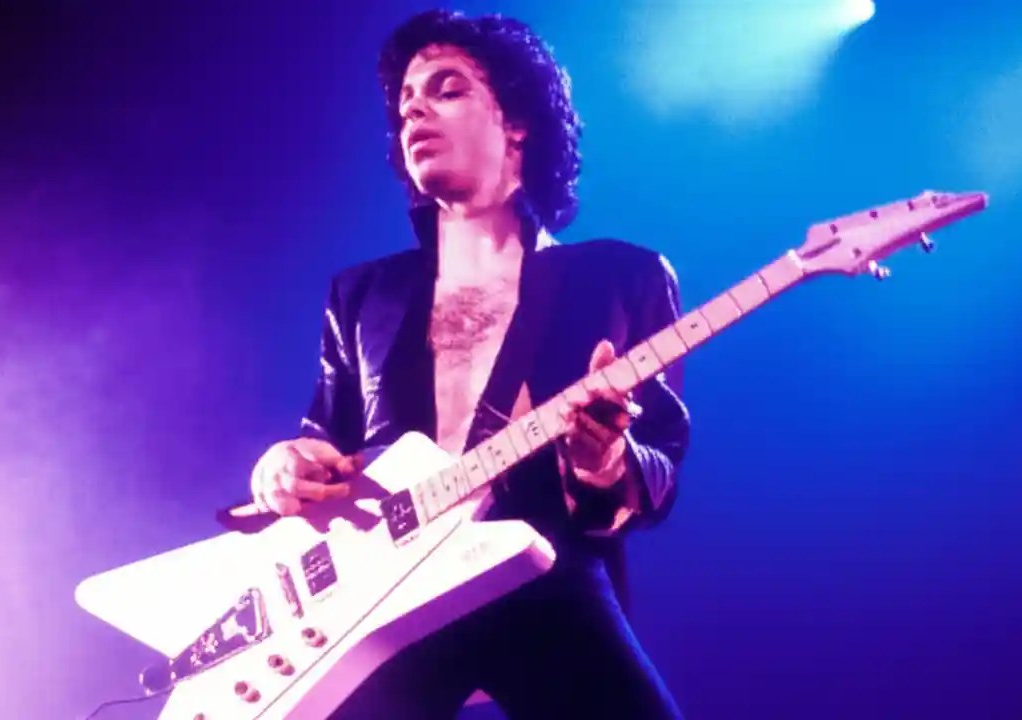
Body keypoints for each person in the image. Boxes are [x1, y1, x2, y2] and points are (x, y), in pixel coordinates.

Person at [248, 9, 691, 719]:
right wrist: (280, 464)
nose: (414, 107)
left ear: (515, 120)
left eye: (447, 88)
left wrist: (603, 462)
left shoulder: (622, 277)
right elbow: (321, 438)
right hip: (381, 590)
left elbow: (661, 465)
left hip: (536, 565)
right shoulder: (362, 294)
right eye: (404, 102)